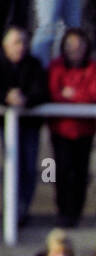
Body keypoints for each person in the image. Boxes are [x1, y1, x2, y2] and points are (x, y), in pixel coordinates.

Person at [47, 27, 96, 228]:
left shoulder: (93, 67)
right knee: (61, 171)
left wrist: (72, 94)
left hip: (84, 130)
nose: (75, 50)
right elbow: (53, 93)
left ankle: (76, 212)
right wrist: (78, 95)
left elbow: (93, 96)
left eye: (79, 45)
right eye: (70, 45)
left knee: (80, 171)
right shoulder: (56, 66)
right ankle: (62, 211)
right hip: (61, 129)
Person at [1, 27, 47, 227]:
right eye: (15, 42)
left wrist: (25, 99)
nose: (20, 47)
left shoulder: (34, 64)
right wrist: (6, 97)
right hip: (3, 127)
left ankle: (21, 211)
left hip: (29, 126)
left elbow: (42, 91)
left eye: (23, 42)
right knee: (8, 166)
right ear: (5, 45)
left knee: (28, 168)